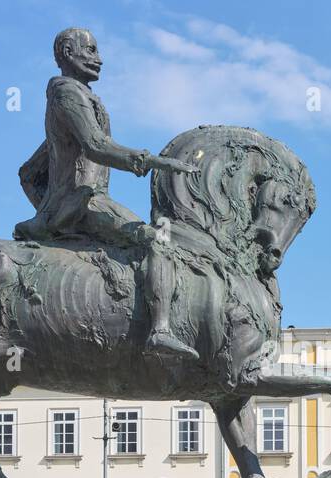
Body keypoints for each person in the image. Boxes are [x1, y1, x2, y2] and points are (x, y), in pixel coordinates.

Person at [15, 27, 200, 361]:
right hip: (88, 202)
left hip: (73, 204)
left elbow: (28, 172)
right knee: (158, 240)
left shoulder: (73, 99)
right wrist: (153, 161)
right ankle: (159, 330)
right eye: (90, 50)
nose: (99, 59)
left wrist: (47, 211)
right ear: (68, 53)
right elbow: (96, 146)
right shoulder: (68, 94)